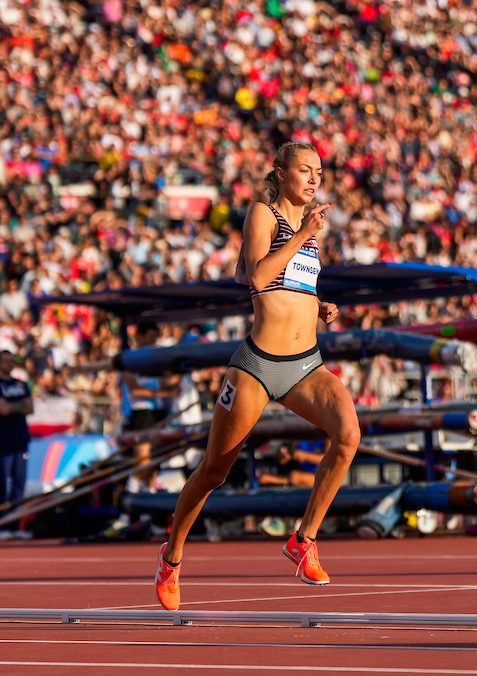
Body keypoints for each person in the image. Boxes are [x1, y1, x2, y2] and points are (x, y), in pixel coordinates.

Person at [155, 142, 360, 611]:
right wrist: (302, 233)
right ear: (282, 173)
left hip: (306, 363)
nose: (314, 179)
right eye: (305, 170)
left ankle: (303, 540)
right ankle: (171, 559)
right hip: (257, 363)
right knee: (213, 472)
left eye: (320, 172)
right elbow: (259, 276)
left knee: (348, 434)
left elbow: (294, 284)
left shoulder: (310, 232)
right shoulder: (263, 214)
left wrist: (319, 303)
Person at [121, 322, 181, 491]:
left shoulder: (156, 361)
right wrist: (164, 393)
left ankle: (148, 508)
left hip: (158, 413)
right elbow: (135, 389)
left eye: (155, 339)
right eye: (150, 338)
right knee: (143, 461)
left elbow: (166, 383)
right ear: (139, 337)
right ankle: (130, 505)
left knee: (155, 463)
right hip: (142, 414)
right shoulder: (129, 361)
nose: (153, 342)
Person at [0, 350, 34, 540]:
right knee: (2, 483)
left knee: (19, 484)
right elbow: (2, 409)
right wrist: (17, 406)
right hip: (4, 440)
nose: (9, 364)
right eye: (5, 361)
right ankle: (0, 524)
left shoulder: (21, 384)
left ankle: (15, 524)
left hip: (21, 438)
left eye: (11, 361)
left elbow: (30, 408)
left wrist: (13, 406)